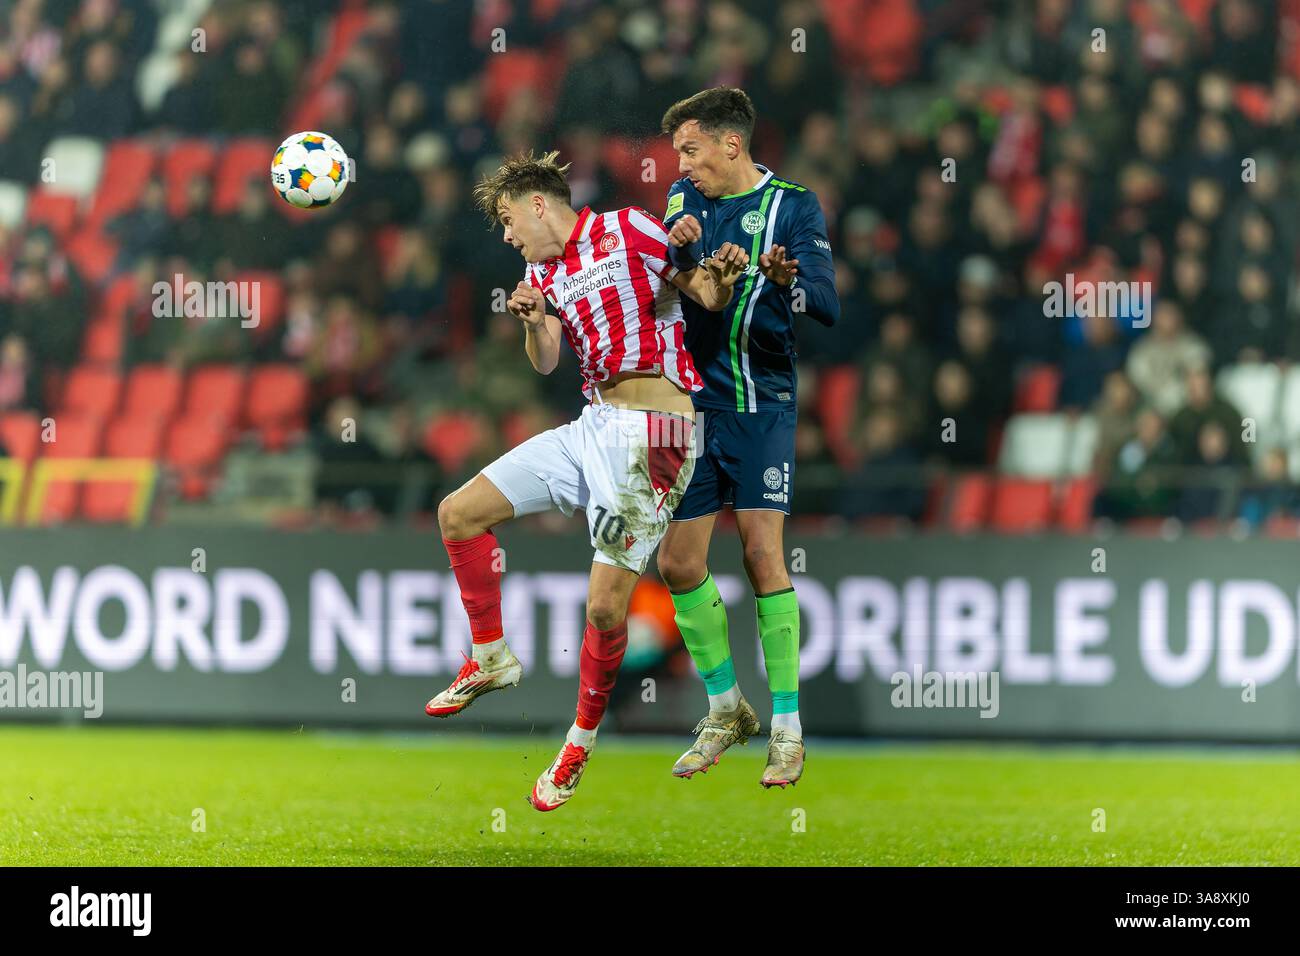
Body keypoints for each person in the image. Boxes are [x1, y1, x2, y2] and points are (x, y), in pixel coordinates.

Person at [425, 150, 750, 811]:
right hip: (591, 424)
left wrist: (724, 273)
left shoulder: (630, 228)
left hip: (654, 432)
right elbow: (546, 363)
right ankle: (490, 656)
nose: (509, 236)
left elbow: (706, 295)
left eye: (511, 221)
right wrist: (534, 321)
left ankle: (579, 740)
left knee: (604, 607)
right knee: (457, 512)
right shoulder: (540, 270)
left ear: (539, 204)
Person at [654, 87, 840, 789]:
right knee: (677, 564)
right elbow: (669, 286)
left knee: (762, 551)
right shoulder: (681, 200)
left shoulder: (794, 205)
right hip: (692, 407)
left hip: (762, 405)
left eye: (691, 150)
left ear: (732, 145)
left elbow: (825, 304)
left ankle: (788, 730)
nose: (682, 165)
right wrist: (681, 258)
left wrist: (785, 280)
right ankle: (726, 708)